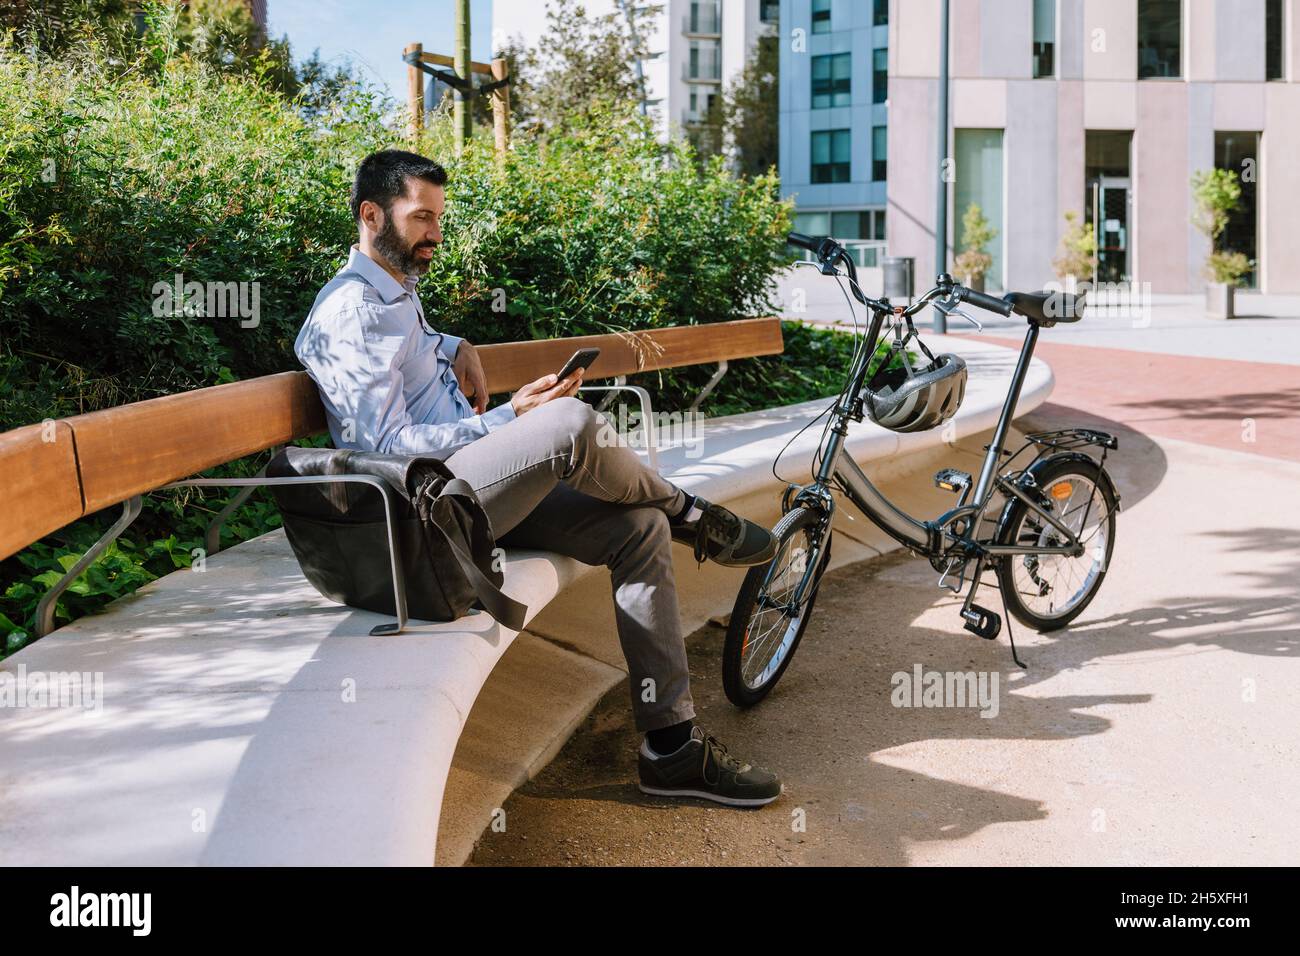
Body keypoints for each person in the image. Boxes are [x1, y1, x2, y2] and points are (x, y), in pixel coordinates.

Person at [295, 149, 784, 807]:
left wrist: (452, 344)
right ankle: (690, 513)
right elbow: (379, 450)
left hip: (460, 498)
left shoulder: (393, 296)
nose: (435, 232)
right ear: (371, 214)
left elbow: (408, 367)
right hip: (416, 521)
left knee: (636, 529)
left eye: (438, 217)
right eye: (421, 217)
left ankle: (671, 747)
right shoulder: (351, 312)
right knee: (570, 423)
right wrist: (504, 421)